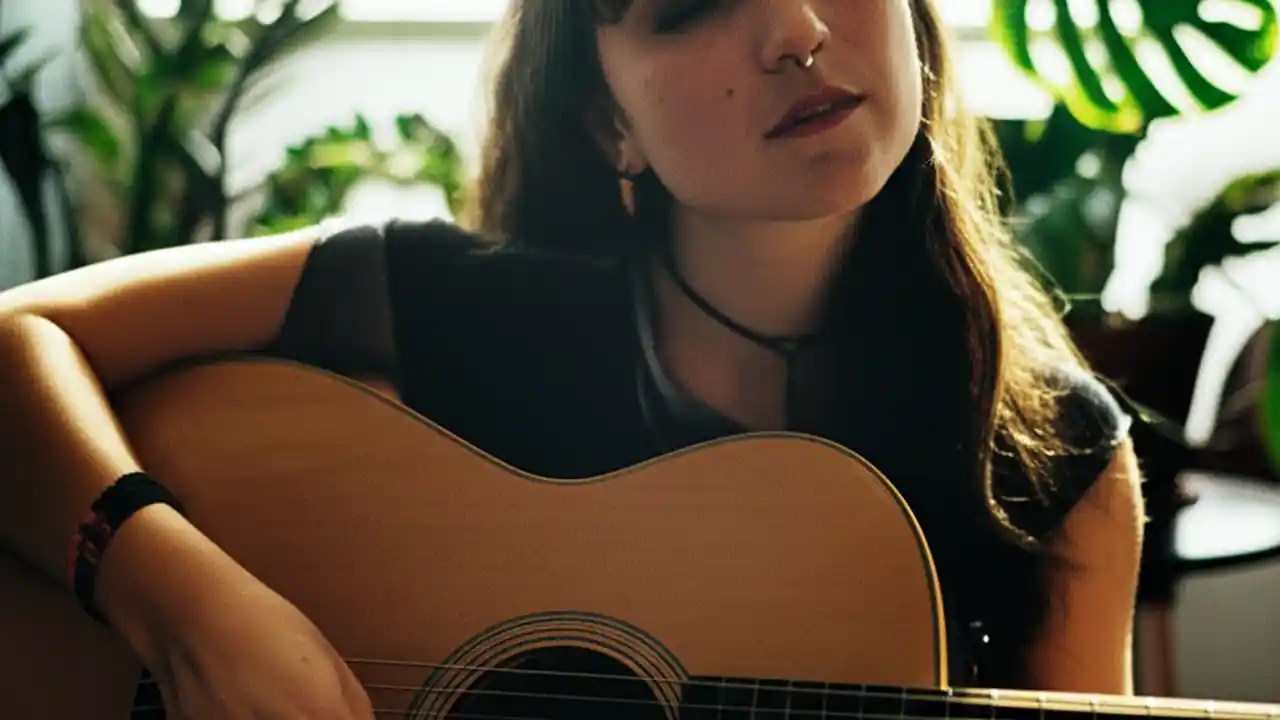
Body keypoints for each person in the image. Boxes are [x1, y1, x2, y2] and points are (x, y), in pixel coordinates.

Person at [0, 0, 1146, 717]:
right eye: (690, 6)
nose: (796, 29)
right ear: (607, 121)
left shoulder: (1057, 468)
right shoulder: (453, 299)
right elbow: (22, 335)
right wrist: (183, 609)